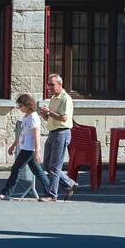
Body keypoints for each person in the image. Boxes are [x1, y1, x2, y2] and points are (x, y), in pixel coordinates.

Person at [0, 95, 53, 201]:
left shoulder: (33, 117)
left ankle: (7, 194)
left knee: (16, 169)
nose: (19, 108)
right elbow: (22, 133)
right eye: (18, 105)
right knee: (38, 171)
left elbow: (36, 135)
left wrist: (37, 152)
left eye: (21, 105)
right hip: (25, 147)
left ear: (27, 105)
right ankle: (51, 192)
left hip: (29, 148)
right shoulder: (26, 116)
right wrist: (13, 145)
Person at [39, 73, 78, 201]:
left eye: (52, 85)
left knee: (55, 166)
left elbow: (64, 118)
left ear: (60, 84)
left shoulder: (66, 98)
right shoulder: (54, 98)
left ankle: (52, 195)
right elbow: (50, 117)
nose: (49, 87)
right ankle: (69, 183)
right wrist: (44, 114)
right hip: (52, 132)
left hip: (62, 133)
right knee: (46, 165)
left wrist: (49, 112)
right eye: (48, 84)